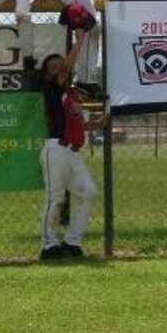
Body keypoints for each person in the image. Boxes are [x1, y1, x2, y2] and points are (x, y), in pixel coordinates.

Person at [38, 31, 106, 260]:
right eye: (54, 67)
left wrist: (96, 123)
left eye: (61, 65)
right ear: (48, 74)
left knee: (87, 191)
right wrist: (80, 40)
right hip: (55, 149)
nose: (59, 68)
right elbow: (66, 69)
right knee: (54, 197)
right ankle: (48, 245)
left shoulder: (70, 94)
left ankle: (72, 242)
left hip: (73, 152)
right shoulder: (50, 88)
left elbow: (76, 125)